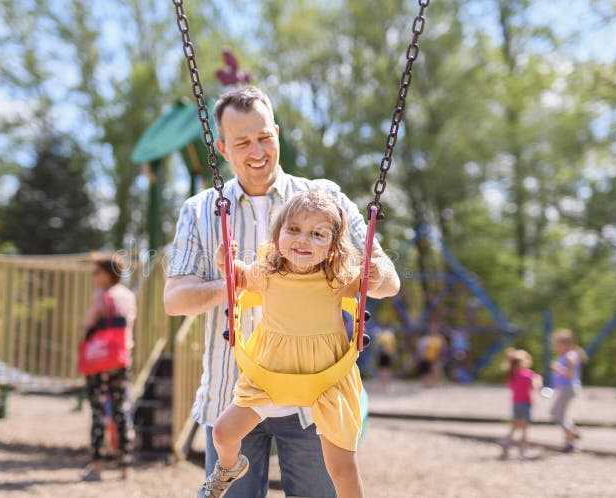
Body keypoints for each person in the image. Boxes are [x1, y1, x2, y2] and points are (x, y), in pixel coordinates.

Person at [164, 86, 400, 498]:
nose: (257, 151)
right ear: (222, 148)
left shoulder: (324, 199)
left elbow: (389, 282)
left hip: (316, 393)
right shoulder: (201, 210)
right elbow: (175, 300)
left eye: (264, 137)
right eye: (242, 142)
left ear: (276, 133)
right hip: (234, 388)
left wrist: (366, 273)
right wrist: (244, 283)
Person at [199, 190, 377, 498]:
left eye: (317, 234)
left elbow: (374, 282)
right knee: (223, 433)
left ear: (333, 245)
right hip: (271, 374)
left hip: (327, 380)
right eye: (293, 229)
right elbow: (237, 276)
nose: (303, 240)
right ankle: (228, 468)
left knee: (343, 469)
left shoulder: (338, 278)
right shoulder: (266, 273)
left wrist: (377, 272)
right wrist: (223, 260)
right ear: (277, 233)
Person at [81, 256, 137, 481]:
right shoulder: (129, 295)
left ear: (107, 273)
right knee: (121, 410)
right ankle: (125, 466)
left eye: (96, 272)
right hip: (121, 359)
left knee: (98, 412)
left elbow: (89, 324)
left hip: (100, 359)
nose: (94, 277)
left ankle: (97, 465)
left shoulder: (102, 295)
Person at [498, 348, 541, 459]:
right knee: (524, 429)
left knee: (515, 425)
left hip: (516, 404)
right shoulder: (528, 375)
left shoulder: (511, 375)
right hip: (526, 403)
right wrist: (538, 379)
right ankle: (523, 450)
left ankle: (506, 441)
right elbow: (535, 387)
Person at [550, 328, 587, 453]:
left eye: (557, 344)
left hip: (568, 388)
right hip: (566, 388)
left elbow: (571, 374)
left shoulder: (569, 356)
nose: (555, 347)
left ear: (564, 344)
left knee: (557, 414)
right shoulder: (568, 355)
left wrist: (558, 368)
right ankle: (571, 436)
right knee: (559, 414)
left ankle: (571, 438)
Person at [416, 323, 444, 388]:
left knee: (435, 371)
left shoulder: (439, 339)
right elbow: (420, 349)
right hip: (426, 358)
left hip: (435, 358)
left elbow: (442, 349)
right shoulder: (425, 339)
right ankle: (426, 384)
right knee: (425, 372)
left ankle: (432, 384)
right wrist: (421, 357)